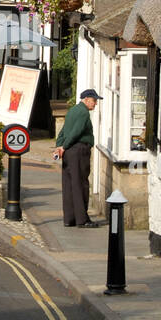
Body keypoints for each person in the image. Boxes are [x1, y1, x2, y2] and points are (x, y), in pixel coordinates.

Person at [54, 88, 104, 228]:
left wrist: (60, 145)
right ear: (86, 99)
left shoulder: (73, 110)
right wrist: (64, 147)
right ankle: (82, 220)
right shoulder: (83, 113)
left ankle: (69, 219)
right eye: (94, 101)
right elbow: (76, 132)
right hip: (79, 150)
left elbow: (64, 130)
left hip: (69, 152)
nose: (95, 104)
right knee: (80, 184)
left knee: (69, 184)